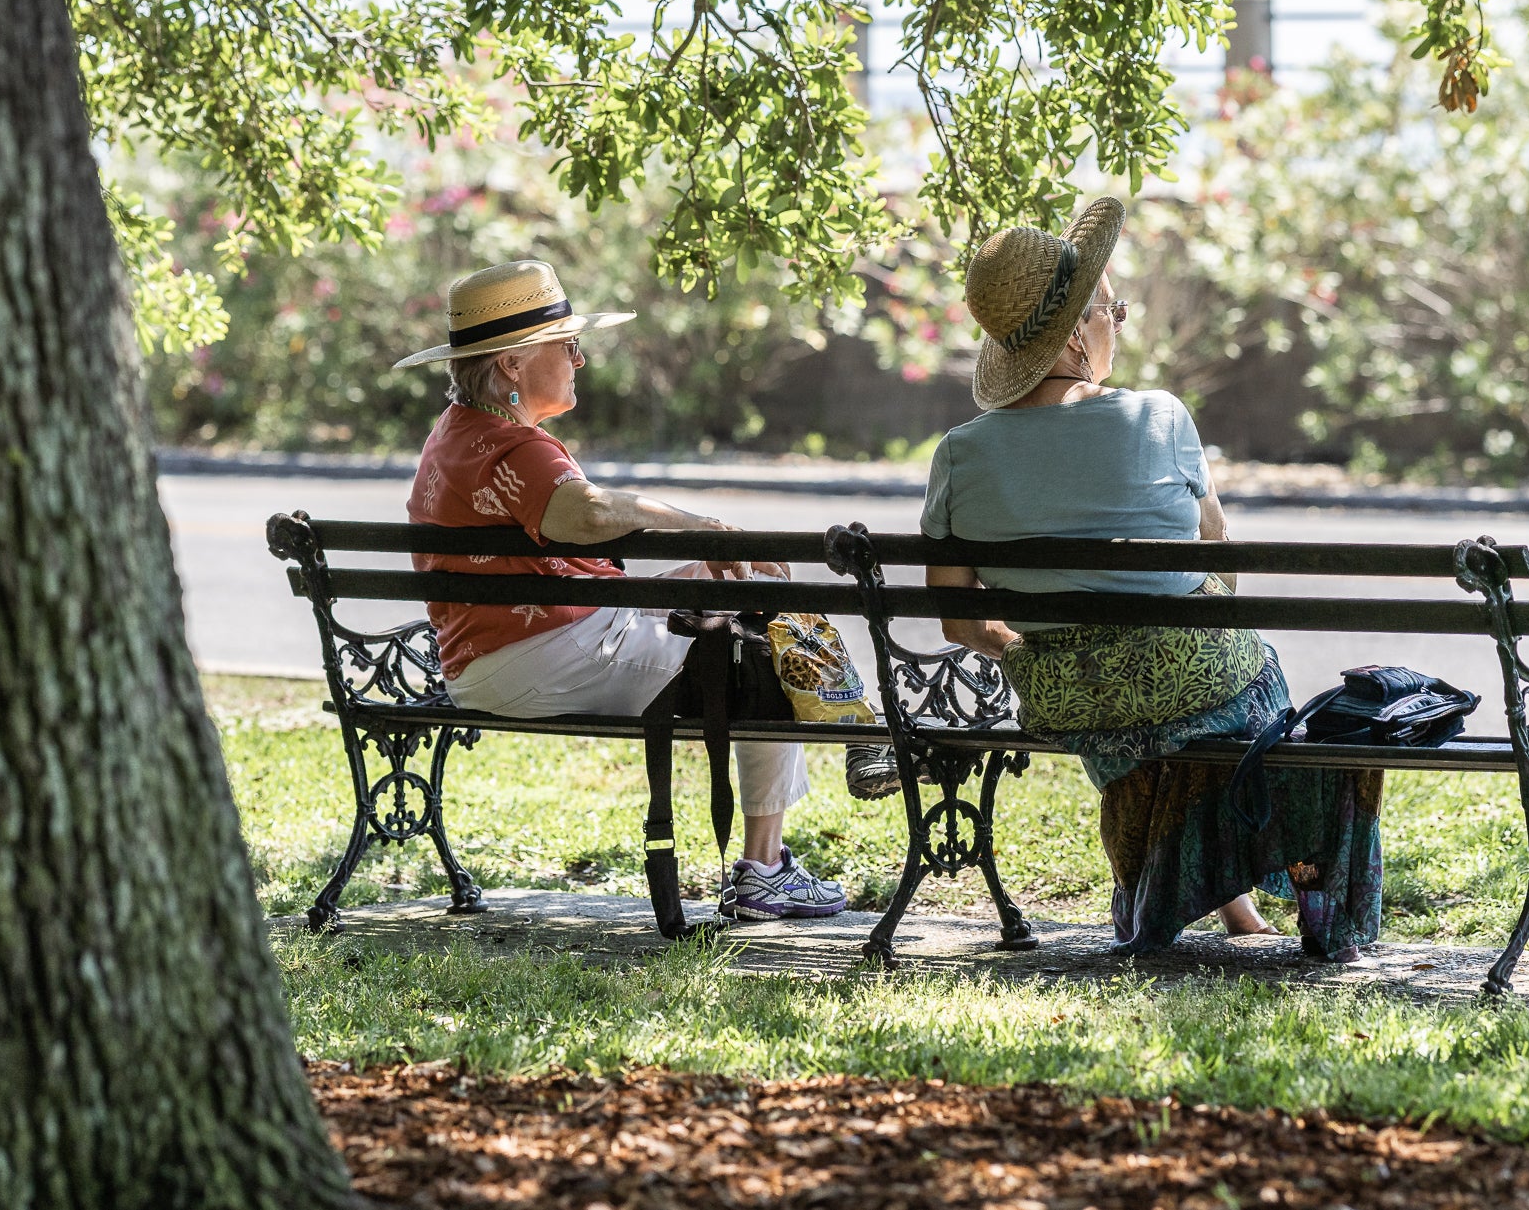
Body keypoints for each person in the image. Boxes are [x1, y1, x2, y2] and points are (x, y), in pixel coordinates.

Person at [917, 199, 1383, 959]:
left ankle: (1224, 904)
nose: (1119, 322)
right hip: (1196, 677)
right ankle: (1310, 902)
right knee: (1244, 691)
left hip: (1068, 692)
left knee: (1146, 722)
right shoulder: (1161, 417)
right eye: (1113, 310)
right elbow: (1219, 553)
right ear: (1074, 335)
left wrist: (1038, 649)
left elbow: (957, 616)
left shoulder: (960, 454)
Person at [394, 259, 892, 921]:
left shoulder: (457, 436)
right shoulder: (514, 447)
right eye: (563, 342)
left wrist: (683, 576)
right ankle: (768, 867)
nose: (579, 354)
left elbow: (559, 571)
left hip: (505, 656)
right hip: (541, 656)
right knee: (762, 660)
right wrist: (698, 527)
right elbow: (589, 514)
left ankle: (858, 735)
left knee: (749, 603)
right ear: (512, 364)